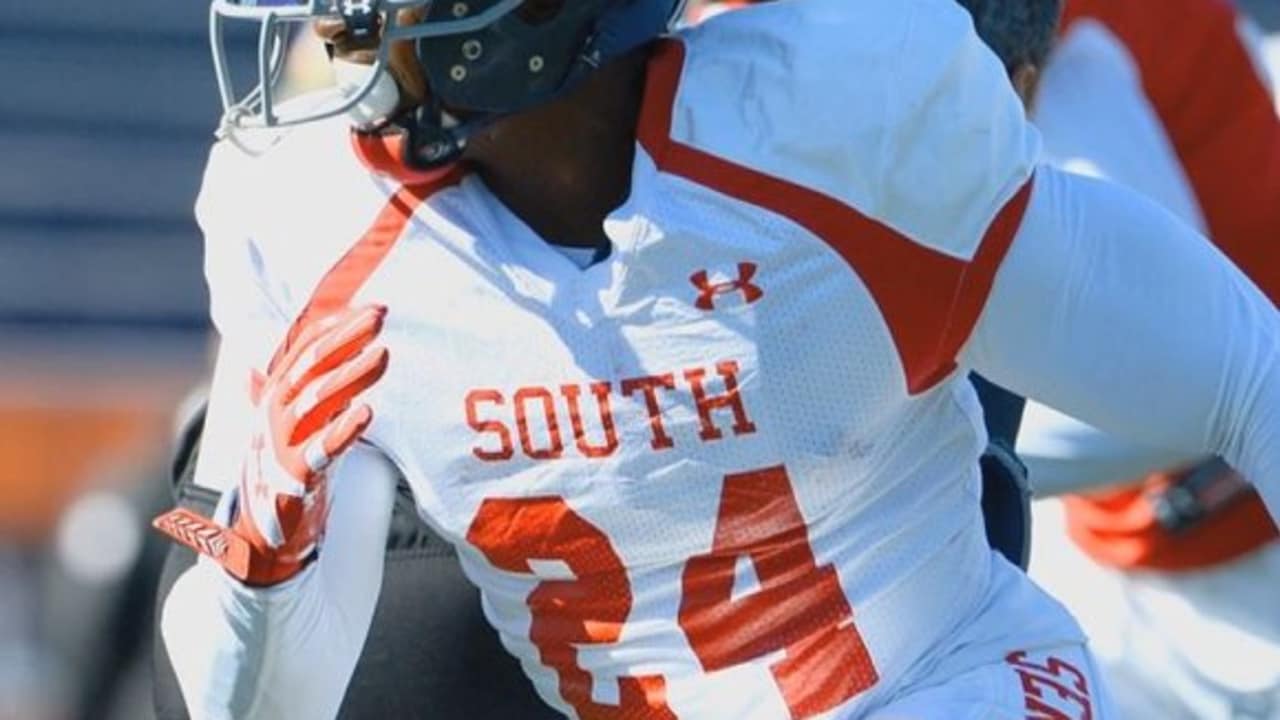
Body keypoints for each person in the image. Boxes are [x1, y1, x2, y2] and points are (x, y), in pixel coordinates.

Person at [153, 1, 1280, 718]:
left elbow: (1243, 372)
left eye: (365, 10)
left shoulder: (837, 115)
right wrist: (259, 569)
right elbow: (235, 706)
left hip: (937, 682)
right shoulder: (300, 213)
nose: (326, 35)